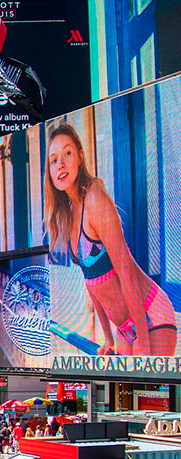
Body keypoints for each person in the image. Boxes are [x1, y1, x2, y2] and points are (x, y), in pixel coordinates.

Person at [42, 123, 177, 356]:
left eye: (67, 154)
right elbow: (93, 283)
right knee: (123, 391)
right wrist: (107, 337)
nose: (60, 164)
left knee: (150, 392)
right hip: (124, 328)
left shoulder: (95, 198)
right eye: (54, 160)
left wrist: (143, 337)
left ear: (80, 157)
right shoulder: (71, 212)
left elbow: (124, 269)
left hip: (149, 315)